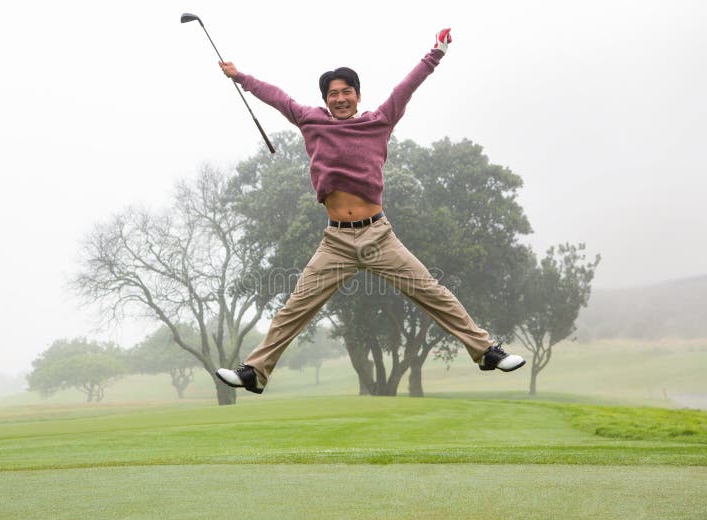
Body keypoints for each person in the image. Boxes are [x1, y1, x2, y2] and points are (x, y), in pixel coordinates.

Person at [215, 28, 524, 395]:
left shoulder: (378, 121)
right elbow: (278, 98)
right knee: (294, 308)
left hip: (378, 235)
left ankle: (485, 350)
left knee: (430, 291)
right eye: (334, 93)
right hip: (336, 242)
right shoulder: (310, 121)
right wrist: (241, 77)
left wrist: (436, 53)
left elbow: (405, 88)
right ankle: (255, 372)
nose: (341, 98)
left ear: (357, 96)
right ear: (326, 100)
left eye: (347, 92)